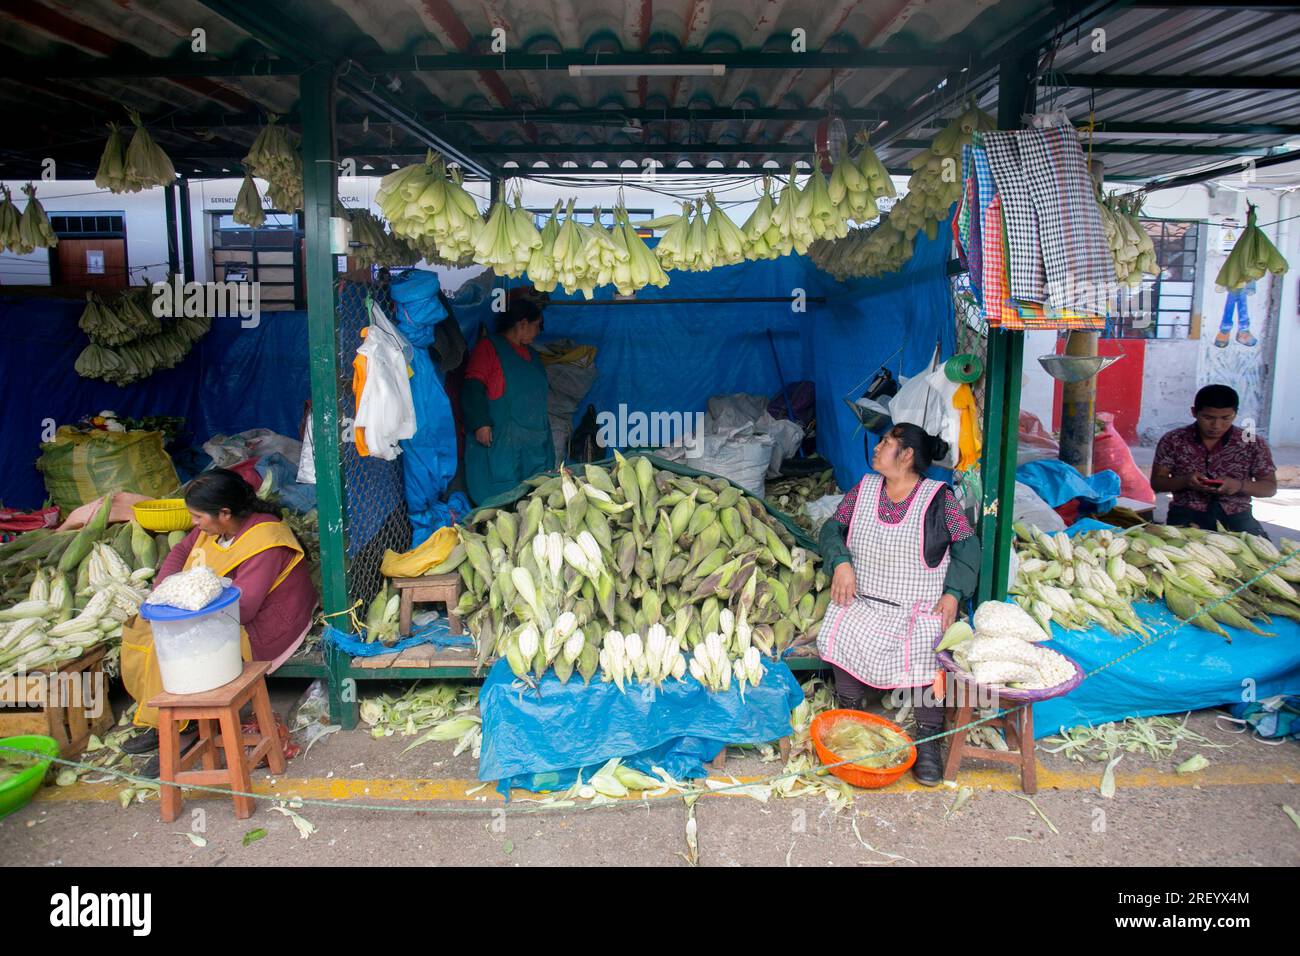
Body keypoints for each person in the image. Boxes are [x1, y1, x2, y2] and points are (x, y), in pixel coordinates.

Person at [120, 468, 318, 775]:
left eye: (198, 517)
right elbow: (182, 551)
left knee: (183, 647)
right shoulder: (216, 527)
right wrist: (163, 590)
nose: (194, 524)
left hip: (265, 624)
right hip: (222, 609)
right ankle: (163, 721)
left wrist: (187, 610)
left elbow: (247, 607)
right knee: (146, 633)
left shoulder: (265, 541)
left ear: (224, 513)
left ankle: (186, 731)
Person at [816, 423, 982, 786]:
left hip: (916, 609)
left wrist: (953, 593)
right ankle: (850, 713)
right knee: (841, 623)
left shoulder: (938, 498)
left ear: (906, 456)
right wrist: (840, 562)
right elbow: (831, 528)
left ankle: (928, 736)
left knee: (931, 648)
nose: (877, 448)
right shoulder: (864, 489)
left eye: (886, 443)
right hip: (867, 602)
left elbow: (968, 546)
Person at [1151, 384, 1276, 536]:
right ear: (1194, 412)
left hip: (1237, 514)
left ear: (1235, 414)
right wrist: (1186, 481)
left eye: (1225, 418)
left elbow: (1270, 488)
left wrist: (1239, 486)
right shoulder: (1173, 440)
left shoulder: (1251, 442)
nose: (1216, 426)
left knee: (1263, 557)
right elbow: (1157, 482)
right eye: (1208, 417)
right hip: (1187, 512)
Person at [462, 295, 553, 504]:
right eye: (537, 326)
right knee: (503, 502)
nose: (539, 332)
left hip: (535, 444)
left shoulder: (533, 356)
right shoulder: (489, 347)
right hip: (502, 441)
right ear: (522, 324)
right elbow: (473, 386)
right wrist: (480, 423)